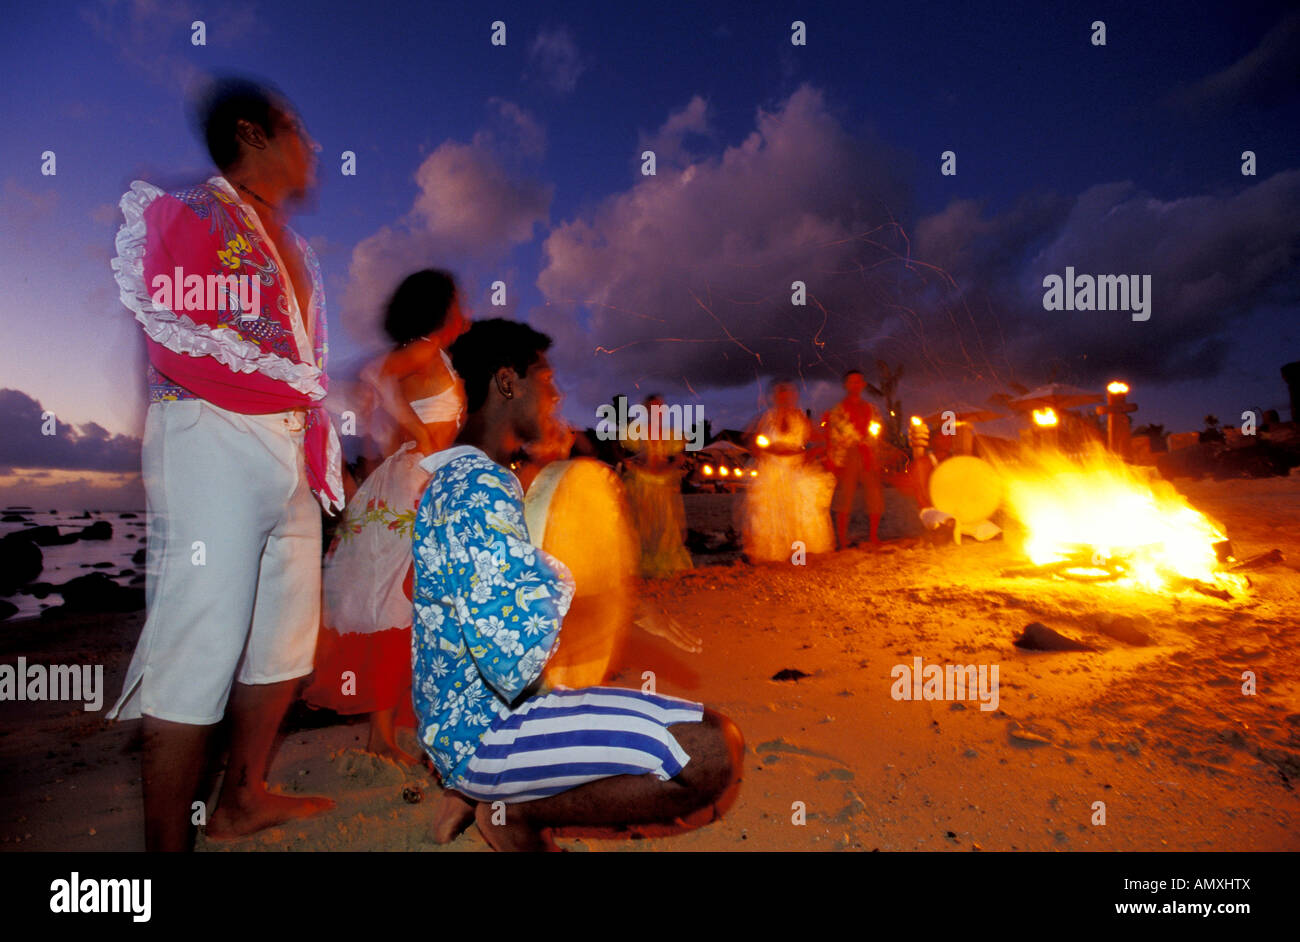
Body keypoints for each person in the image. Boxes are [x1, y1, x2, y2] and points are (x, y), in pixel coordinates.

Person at [107, 77, 341, 850]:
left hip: (289, 448)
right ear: (254, 133)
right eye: (298, 127)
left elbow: (295, 356)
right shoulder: (188, 212)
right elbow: (175, 327)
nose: (311, 145)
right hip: (211, 433)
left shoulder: (295, 244)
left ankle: (242, 795)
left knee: (285, 633)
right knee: (200, 636)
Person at [411, 319, 743, 851]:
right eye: (546, 380)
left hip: (474, 719)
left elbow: (509, 585)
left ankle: (494, 800)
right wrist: (612, 608)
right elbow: (509, 655)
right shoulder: (477, 488)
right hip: (485, 732)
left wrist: (625, 611)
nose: (557, 395)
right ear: (507, 382)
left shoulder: (475, 477)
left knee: (681, 731)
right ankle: (512, 811)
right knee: (708, 753)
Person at [302, 270, 468, 763]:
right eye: (458, 302)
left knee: (417, 598)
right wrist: (421, 434)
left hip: (422, 477)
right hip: (415, 480)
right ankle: (382, 735)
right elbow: (376, 375)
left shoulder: (438, 356)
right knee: (398, 598)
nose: (466, 311)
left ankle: (396, 725)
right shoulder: (420, 348)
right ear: (441, 308)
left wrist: (409, 438)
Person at [743, 382, 834, 561]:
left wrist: (812, 452)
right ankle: (774, 554)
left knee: (798, 509)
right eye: (780, 394)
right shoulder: (764, 419)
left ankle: (797, 555)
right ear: (774, 397)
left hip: (795, 467)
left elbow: (823, 440)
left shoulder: (801, 418)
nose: (784, 398)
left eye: (788, 394)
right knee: (771, 511)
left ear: (794, 396)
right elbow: (751, 442)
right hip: (772, 469)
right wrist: (761, 452)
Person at [621, 395, 693, 577]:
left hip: (662, 482)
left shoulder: (671, 435)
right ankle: (641, 565)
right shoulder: (634, 432)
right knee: (643, 525)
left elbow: (678, 459)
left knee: (664, 525)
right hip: (641, 483)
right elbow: (623, 454)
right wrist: (634, 462)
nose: (657, 412)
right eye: (653, 408)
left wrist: (671, 464)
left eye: (660, 408)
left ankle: (663, 564)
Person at [823, 369, 885, 549]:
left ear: (863, 384)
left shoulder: (871, 409)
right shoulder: (838, 410)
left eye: (859, 381)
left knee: (875, 495)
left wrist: (875, 455)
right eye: (852, 382)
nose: (855, 385)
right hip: (848, 454)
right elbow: (832, 436)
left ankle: (873, 536)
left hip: (868, 453)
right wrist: (834, 460)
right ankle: (842, 539)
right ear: (846, 385)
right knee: (845, 496)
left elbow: (877, 432)